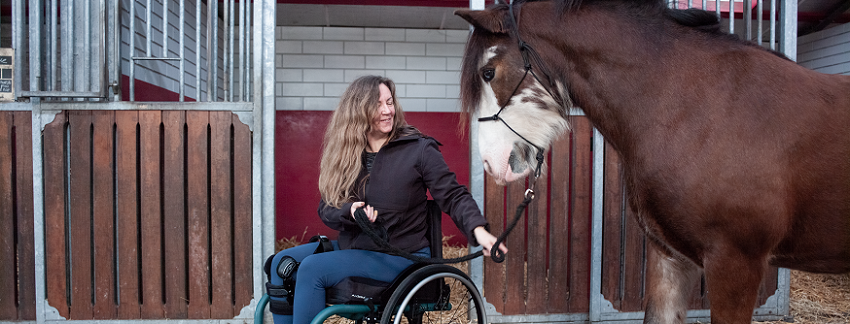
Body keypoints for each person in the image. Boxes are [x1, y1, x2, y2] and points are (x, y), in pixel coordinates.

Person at [267, 75, 507, 324]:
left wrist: (479, 231)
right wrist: (350, 211)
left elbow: (454, 195)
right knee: (279, 264)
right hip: (356, 249)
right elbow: (326, 207)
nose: (387, 111)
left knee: (311, 269)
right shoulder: (348, 153)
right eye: (378, 104)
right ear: (358, 111)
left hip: (399, 255)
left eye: (390, 102)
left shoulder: (419, 149)